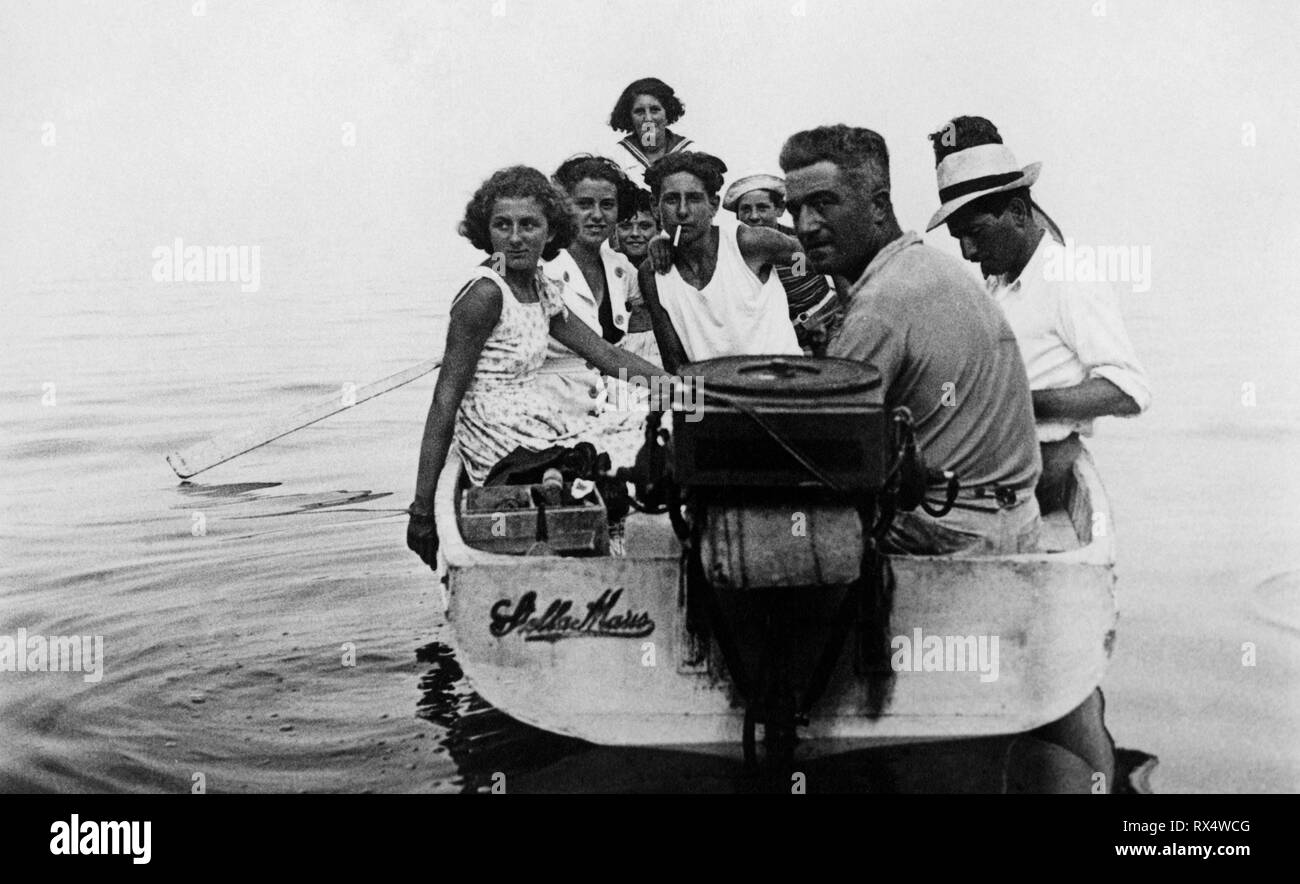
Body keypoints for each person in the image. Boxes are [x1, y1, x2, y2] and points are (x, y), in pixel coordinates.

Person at [778, 125, 1041, 558]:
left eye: (824, 203)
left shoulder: (881, 305)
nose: (806, 225)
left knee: (761, 538)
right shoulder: (925, 265)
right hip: (1014, 516)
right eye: (795, 209)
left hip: (952, 532)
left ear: (878, 206)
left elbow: (820, 447)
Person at [407, 166, 667, 568]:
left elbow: (607, 355)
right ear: (485, 231)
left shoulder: (539, 284)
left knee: (659, 430)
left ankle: (616, 550)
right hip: (499, 439)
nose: (514, 238)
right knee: (627, 457)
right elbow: (444, 402)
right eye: (502, 225)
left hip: (536, 420)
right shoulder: (485, 293)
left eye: (528, 224)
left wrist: (690, 391)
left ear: (551, 232)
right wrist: (421, 509)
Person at [927, 116, 1151, 511]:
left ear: (1016, 211)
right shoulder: (998, 281)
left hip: (1028, 479)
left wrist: (1018, 401)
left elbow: (1129, 390)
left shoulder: (1069, 279)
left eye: (975, 232)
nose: (967, 252)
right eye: (958, 237)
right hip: (990, 466)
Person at [638, 152, 802, 373]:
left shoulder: (748, 243)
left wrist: (844, 312)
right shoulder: (653, 273)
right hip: (717, 400)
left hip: (785, 392)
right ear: (655, 206)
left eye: (694, 198)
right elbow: (674, 363)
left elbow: (822, 258)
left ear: (713, 205)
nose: (683, 211)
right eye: (671, 199)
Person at [541, 155, 643, 421]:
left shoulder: (621, 268)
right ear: (563, 207)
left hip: (611, 405)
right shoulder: (540, 266)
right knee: (692, 403)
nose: (597, 215)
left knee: (691, 419)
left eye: (607, 205)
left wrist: (662, 245)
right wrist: (687, 393)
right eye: (584, 204)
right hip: (550, 410)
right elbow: (607, 355)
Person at [722, 173, 842, 355]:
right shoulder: (734, 253)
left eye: (762, 207)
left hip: (829, 324)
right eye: (746, 209)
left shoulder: (795, 242)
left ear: (779, 210)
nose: (754, 216)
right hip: (791, 340)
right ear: (737, 215)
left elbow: (834, 265)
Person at [608, 77, 698, 190]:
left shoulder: (690, 152)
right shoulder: (616, 157)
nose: (648, 118)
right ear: (629, 117)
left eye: (655, 110)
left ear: (668, 113)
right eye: (639, 111)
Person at [614, 188, 659, 268]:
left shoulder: (673, 267)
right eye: (625, 226)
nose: (635, 233)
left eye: (644, 226)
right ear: (614, 230)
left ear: (659, 229)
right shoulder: (603, 264)